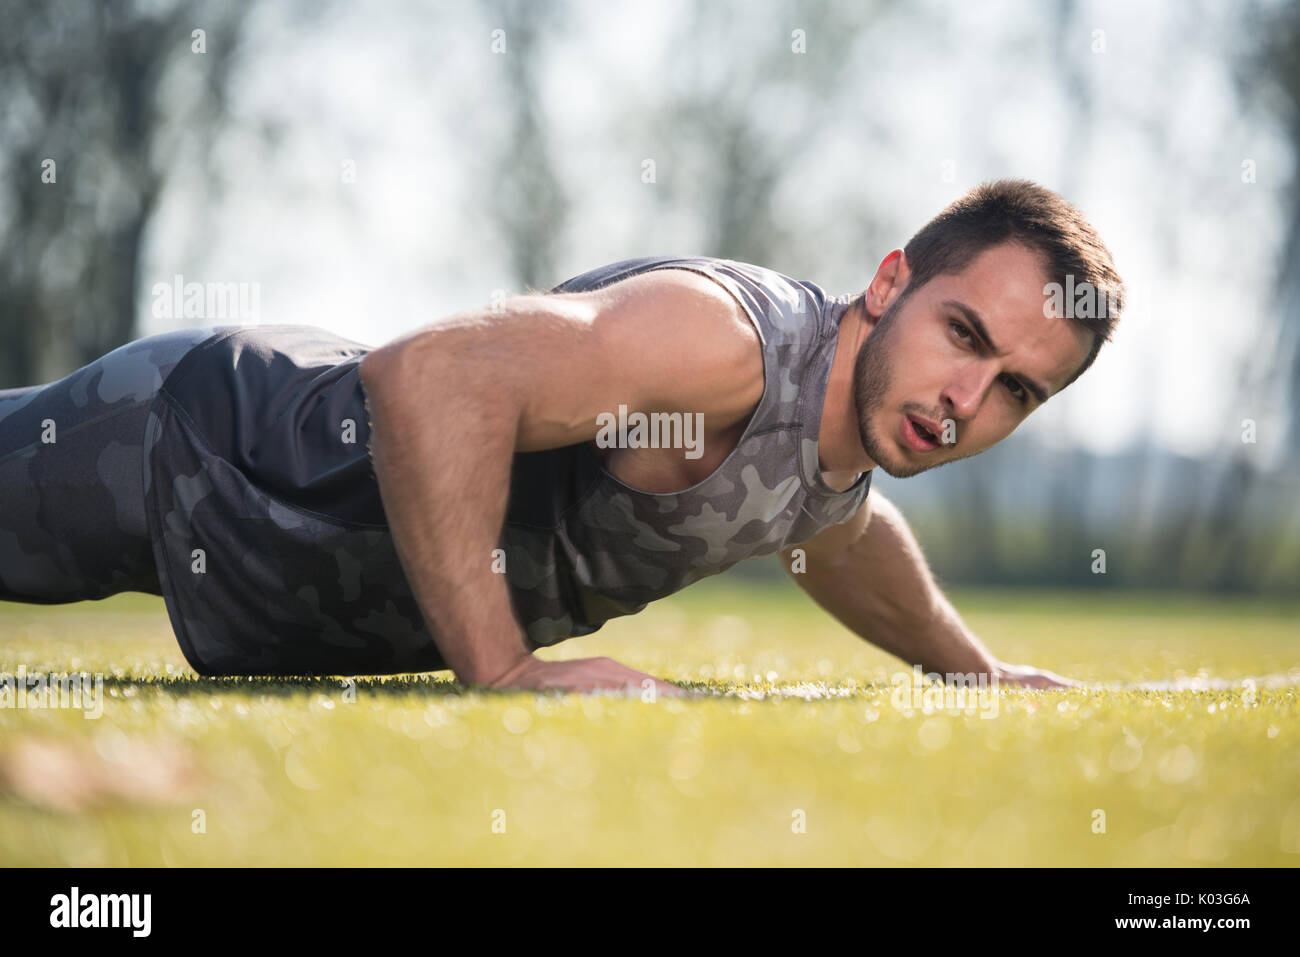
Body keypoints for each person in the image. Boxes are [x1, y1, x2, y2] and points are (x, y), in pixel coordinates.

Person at [0, 178, 1123, 697]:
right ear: (890, 283)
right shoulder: (721, 344)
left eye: (1016, 391)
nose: (966, 397)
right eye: (963, 334)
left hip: (264, 554)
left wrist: (974, 675)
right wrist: (505, 672)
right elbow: (434, 376)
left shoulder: (841, 450)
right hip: (201, 450)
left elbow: (838, 535)